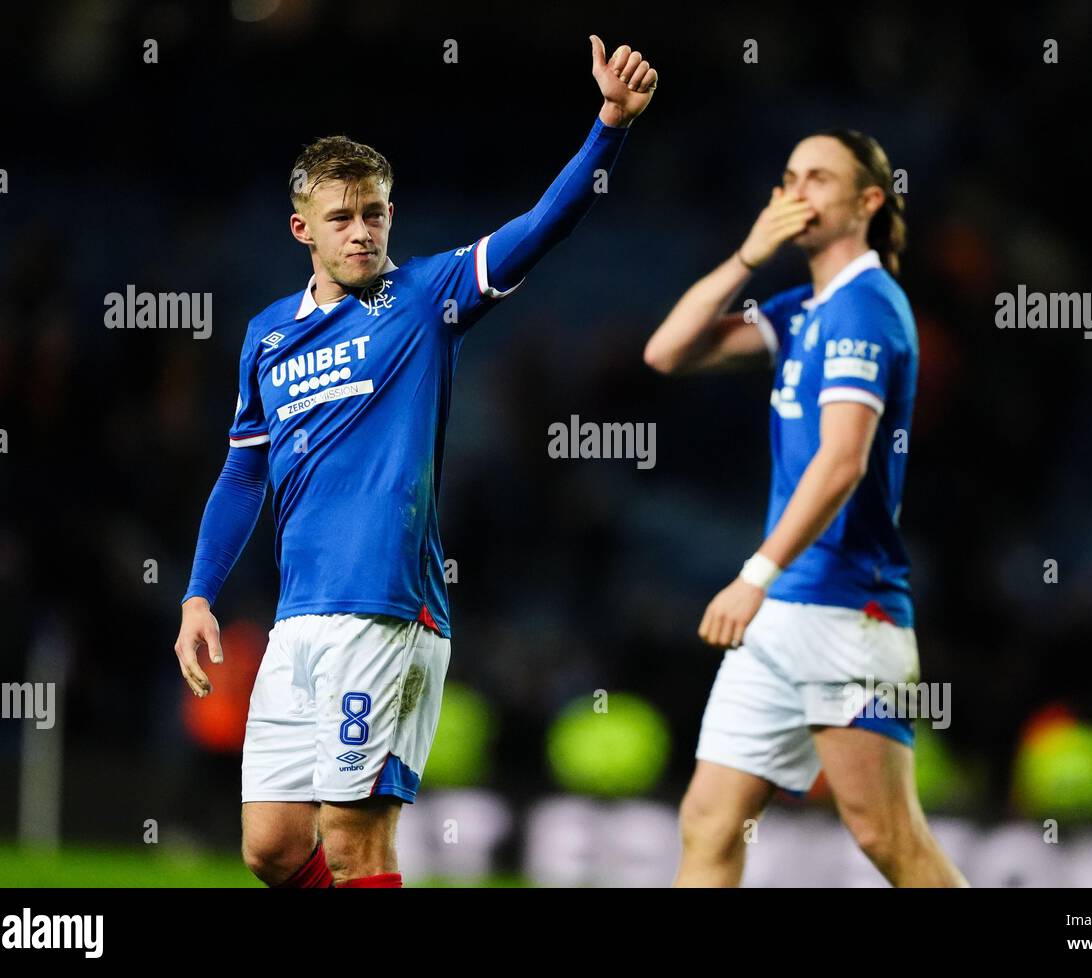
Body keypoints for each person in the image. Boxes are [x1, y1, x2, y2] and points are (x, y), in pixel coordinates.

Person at [174, 37, 657, 888]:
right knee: (273, 849)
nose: (363, 233)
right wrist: (199, 592)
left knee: (358, 845)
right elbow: (243, 474)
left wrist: (608, 127)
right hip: (299, 621)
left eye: (376, 213)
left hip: (388, 612)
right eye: (341, 218)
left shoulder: (427, 297)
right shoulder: (266, 338)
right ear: (302, 230)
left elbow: (542, 227)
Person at [644, 130, 967, 887]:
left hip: (845, 610)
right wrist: (748, 256)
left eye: (819, 179)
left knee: (886, 834)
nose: (798, 193)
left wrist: (754, 573)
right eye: (788, 178)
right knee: (710, 820)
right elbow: (667, 352)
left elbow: (843, 461)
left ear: (869, 201)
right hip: (782, 613)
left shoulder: (867, 305)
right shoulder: (802, 309)